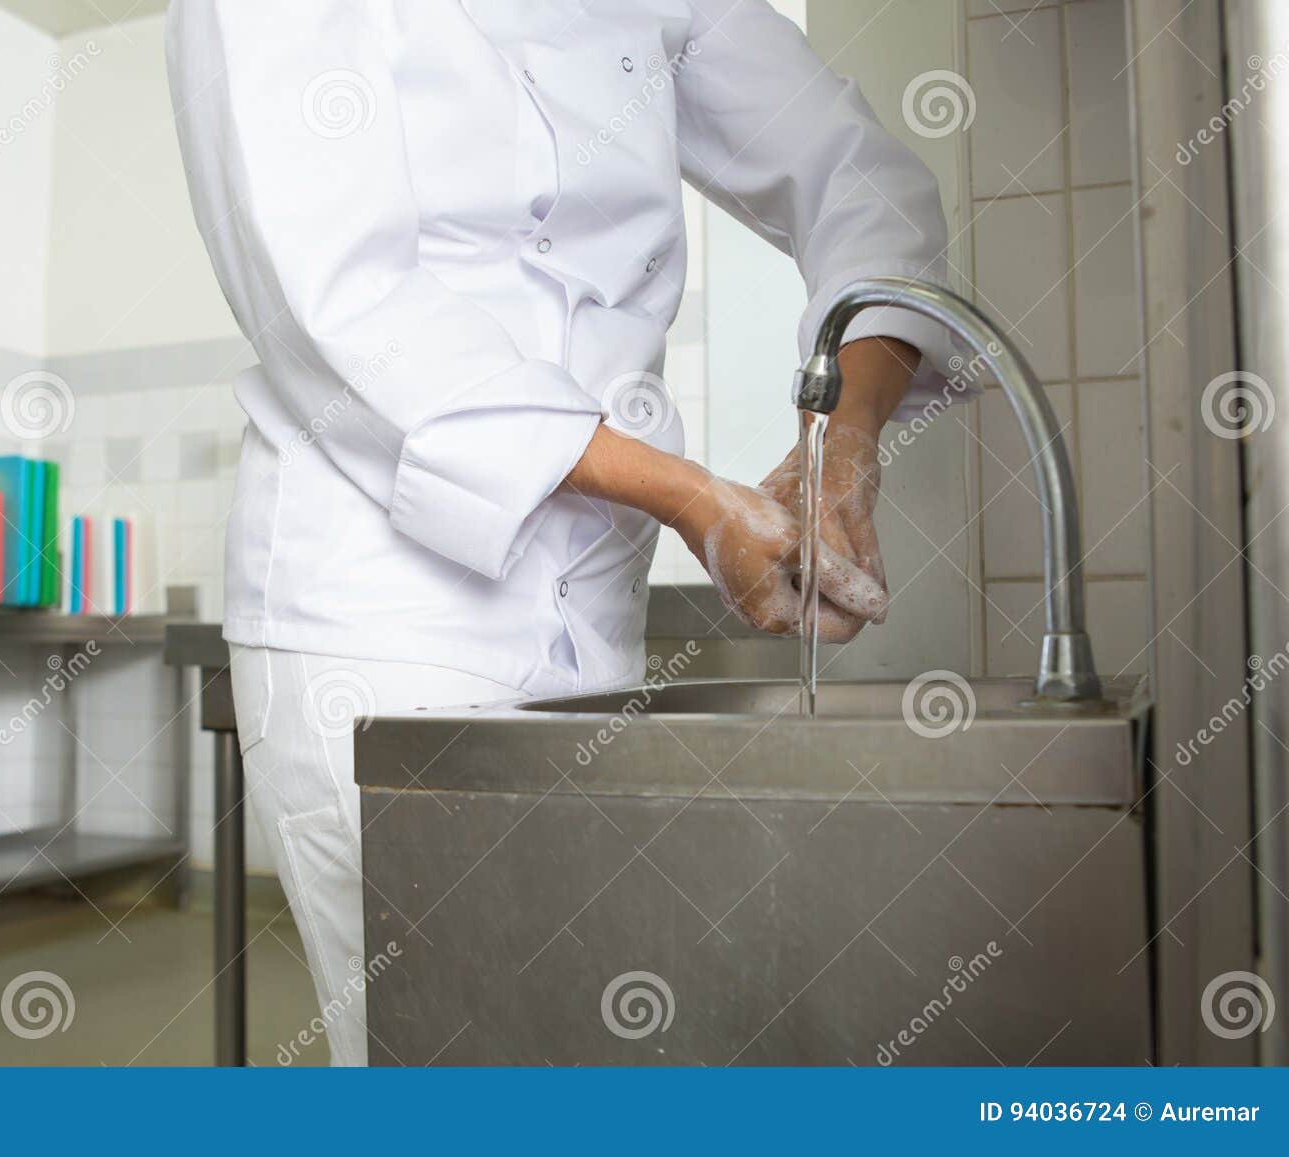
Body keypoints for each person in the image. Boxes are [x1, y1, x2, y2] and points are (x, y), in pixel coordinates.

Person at [166, 0, 961, 1065]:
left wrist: (846, 426)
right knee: (438, 1056)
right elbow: (338, 305)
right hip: (381, 606)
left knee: (584, 1041)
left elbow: (857, 178)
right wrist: (688, 495)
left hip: (594, 606)